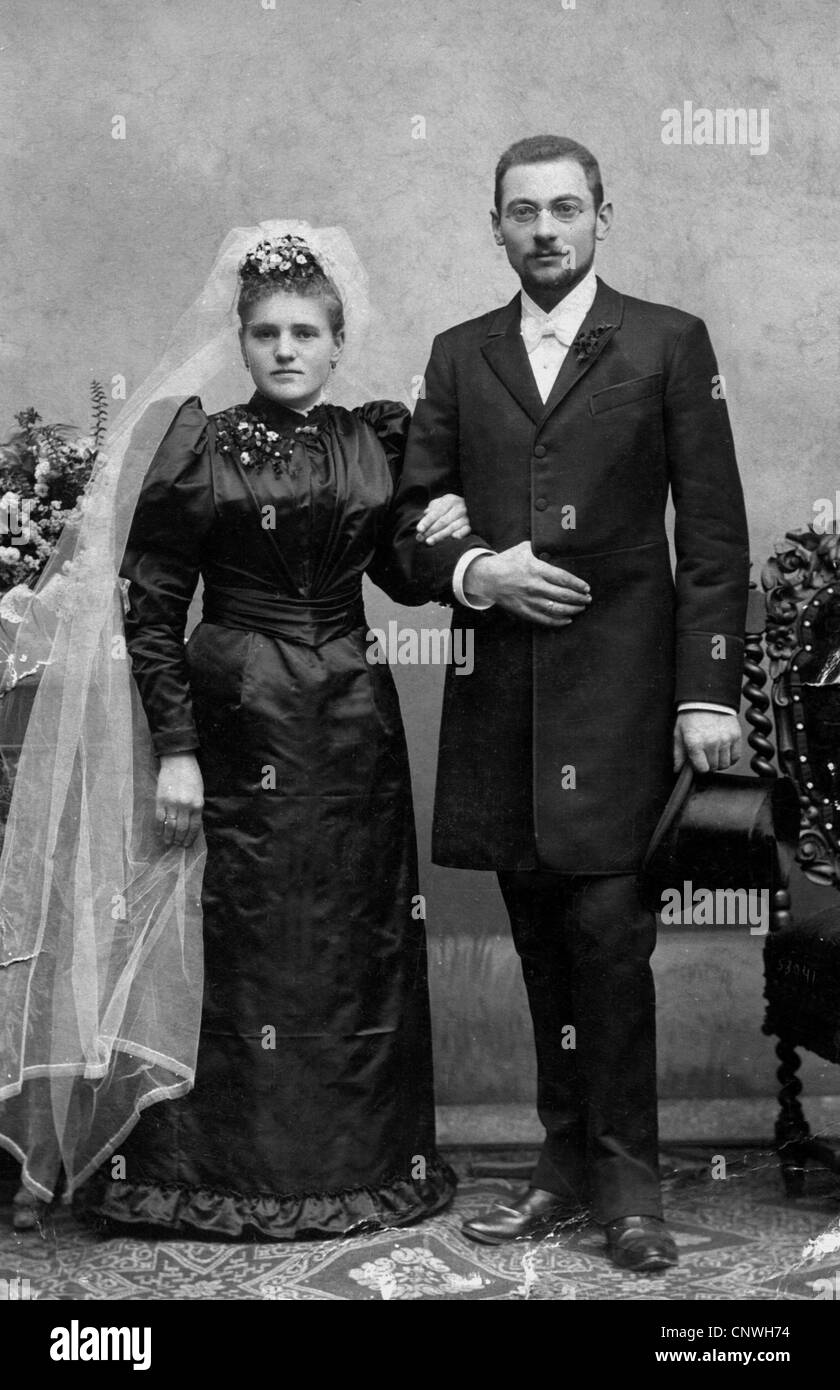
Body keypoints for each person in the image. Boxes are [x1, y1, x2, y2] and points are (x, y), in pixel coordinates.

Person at [1, 224, 463, 1239]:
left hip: (349, 720)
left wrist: (453, 546)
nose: (286, 349)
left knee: (348, 939)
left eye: (306, 330)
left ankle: (351, 1164)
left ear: (339, 341)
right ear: (242, 341)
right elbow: (152, 608)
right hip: (234, 710)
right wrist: (175, 748)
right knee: (237, 939)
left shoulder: (375, 441)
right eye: (266, 333)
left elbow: (402, 574)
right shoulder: (197, 445)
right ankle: (213, 1170)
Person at [393, 136, 750, 1271]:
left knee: (609, 940)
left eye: (565, 209)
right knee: (542, 945)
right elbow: (406, 534)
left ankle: (629, 1185)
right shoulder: (458, 357)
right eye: (522, 213)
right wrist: (473, 572)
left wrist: (706, 691)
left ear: (604, 215)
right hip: (502, 705)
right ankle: (560, 1168)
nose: (545, 230)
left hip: (626, 703)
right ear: (492, 226)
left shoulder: (667, 343)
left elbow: (716, 537)